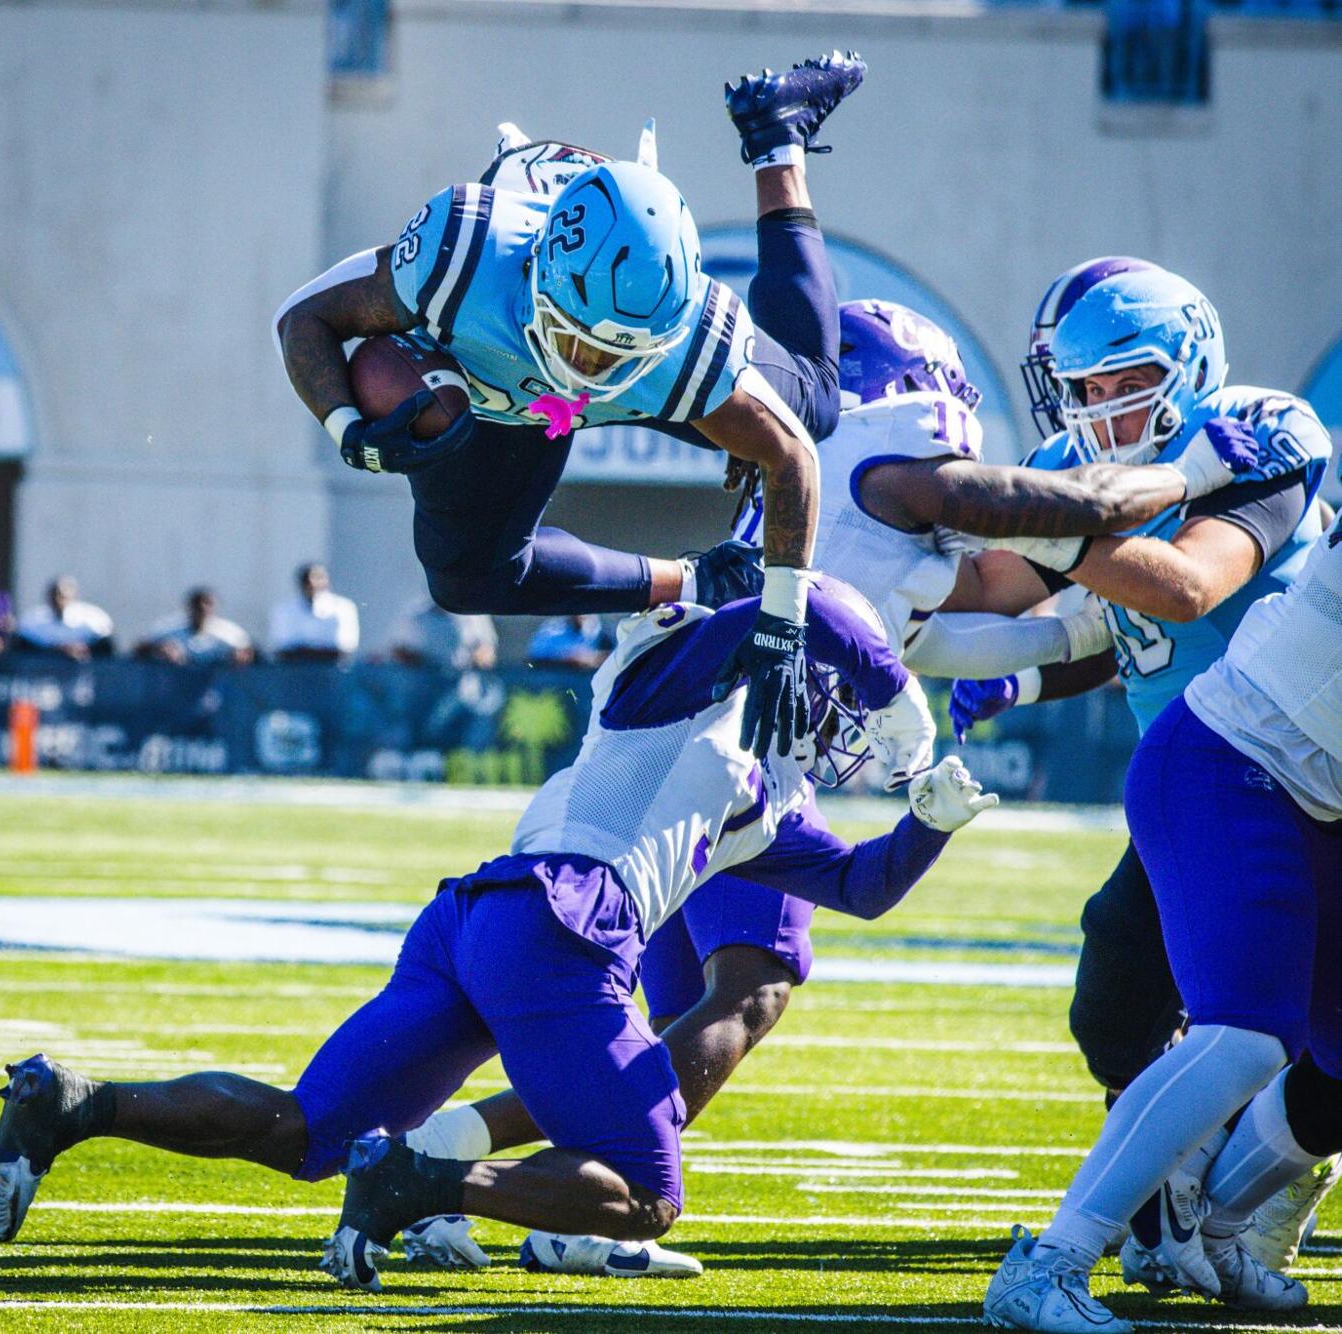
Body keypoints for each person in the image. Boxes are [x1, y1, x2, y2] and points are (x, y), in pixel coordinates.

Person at [395, 293, 1265, 1277]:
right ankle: (528, 1177)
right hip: (737, 763)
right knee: (749, 986)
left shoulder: (808, 469)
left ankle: (479, 1158)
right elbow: (1007, 551)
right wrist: (1174, 488)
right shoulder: (893, 467)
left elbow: (954, 628)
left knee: (665, 1000)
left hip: (665, 740)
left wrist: (1041, 654)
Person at [0, 577, 998, 1288]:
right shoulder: (669, 680)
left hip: (471, 925)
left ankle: (71, 1105)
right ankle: (420, 1180)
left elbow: (862, 884)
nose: (840, 724)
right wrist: (896, 687)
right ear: (808, 667)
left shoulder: (765, 797)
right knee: (644, 1194)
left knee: (304, 1131)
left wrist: (931, 825)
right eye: (840, 694)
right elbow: (809, 600)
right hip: (560, 927)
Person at [274, 54, 867, 760]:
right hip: (494, 375)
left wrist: (782, 620)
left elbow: (793, 452)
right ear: (538, 277)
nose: (587, 368)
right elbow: (303, 317)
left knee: (815, 406)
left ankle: (776, 137)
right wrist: (348, 429)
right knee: (469, 578)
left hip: (622, 371)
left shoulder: (689, 340)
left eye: (614, 352)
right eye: (580, 342)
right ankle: (701, 580)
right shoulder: (464, 254)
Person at [950, 265, 1333, 1289]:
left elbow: (1185, 586)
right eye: (1084, 389)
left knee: (1283, 1036)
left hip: (1293, 772)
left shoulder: (1253, 437)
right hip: (1219, 773)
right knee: (1132, 1001)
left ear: (1190, 367)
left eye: (1127, 381)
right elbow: (994, 585)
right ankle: (1168, 1201)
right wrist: (861, 575)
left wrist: (1050, 520)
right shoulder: (1072, 467)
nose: (1102, 410)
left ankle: (1235, 1195)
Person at [982, 505, 1342, 1333]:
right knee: (1248, 1030)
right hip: (1233, 757)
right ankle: (1051, 1265)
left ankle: (1208, 1234)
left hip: (1314, 791)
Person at [137, 588, 254, 666]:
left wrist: (241, 656)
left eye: (208, 604)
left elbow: (251, 651)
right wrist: (160, 650)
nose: (203, 610)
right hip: (175, 687)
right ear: (190, 607)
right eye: (198, 606)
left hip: (217, 689)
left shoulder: (227, 631)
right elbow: (139, 648)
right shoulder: (169, 628)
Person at [268, 563, 359, 662]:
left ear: (327, 581)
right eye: (307, 581)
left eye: (318, 578)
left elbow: (346, 644)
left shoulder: (343, 607)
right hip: (295, 669)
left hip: (331, 668)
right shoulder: (283, 610)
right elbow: (282, 645)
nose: (313, 584)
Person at [15, 577, 115, 660]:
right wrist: (58, 649)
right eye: (54, 596)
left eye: (62, 596)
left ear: (73, 596)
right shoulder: (32, 619)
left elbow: (105, 645)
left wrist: (82, 649)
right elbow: (26, 643)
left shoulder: (94, 617)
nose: (58, 601)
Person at [389, 596, 497, 672]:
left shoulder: (474, 615)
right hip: (425, 681)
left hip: (463, 686)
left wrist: (478, 659)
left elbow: (487, 653)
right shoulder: (416, 615)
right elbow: (398, 650)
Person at [525, 613, 613, 669]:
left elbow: (615, 654)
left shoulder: (599, 629)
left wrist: (594, 658)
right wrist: (567, 658)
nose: (582, 615)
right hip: (556, 683)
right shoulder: (553, 629)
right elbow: (533, 657)